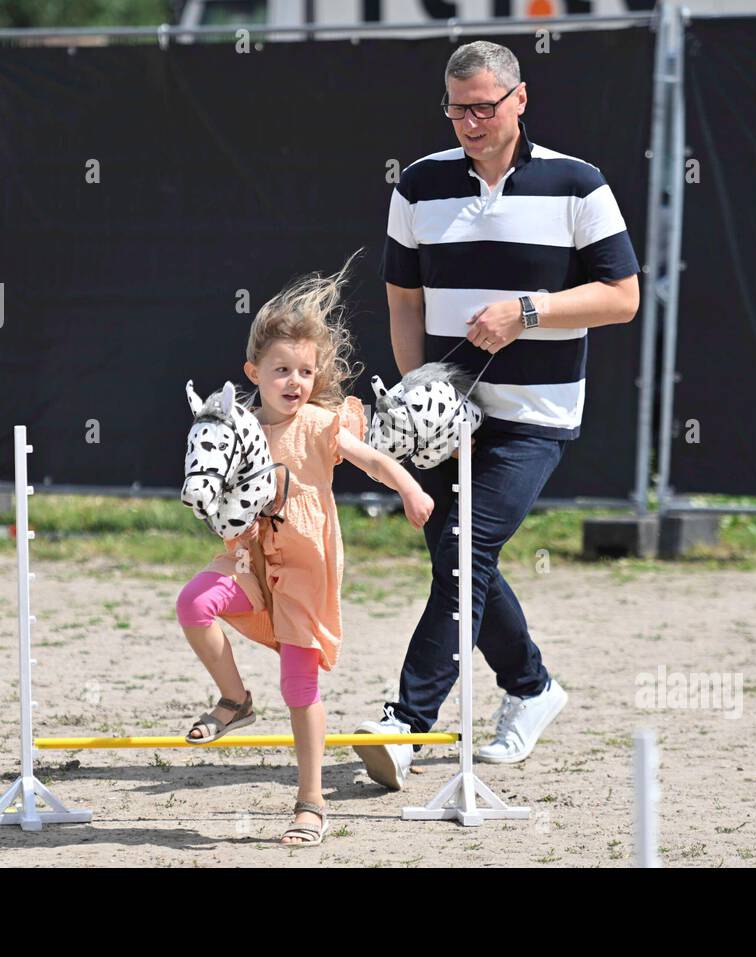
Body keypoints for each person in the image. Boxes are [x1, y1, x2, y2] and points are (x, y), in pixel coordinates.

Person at [353, 41, 640, 790]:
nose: (471, 122)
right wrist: (418, 395)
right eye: (458, 109)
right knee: (459, 554)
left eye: (485, 105)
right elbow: (403, 300)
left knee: (463, 552)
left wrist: (528, 310)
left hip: (534, 415)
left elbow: (622, 296)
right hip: (445, 417)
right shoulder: (418, 186)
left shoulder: (578, 182)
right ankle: (533, 687)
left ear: (520, 99)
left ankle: (406, 724)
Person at [177, 252, 435, 844]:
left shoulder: (320, 425)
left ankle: (310, 801)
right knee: (193, 604)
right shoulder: (236, 426)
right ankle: (234, 699)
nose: (295, 382)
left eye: (305, 371)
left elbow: (372, 458)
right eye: (281, 370)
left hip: (303, 569)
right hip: (246, 558)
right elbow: (209, 487)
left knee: (300, 686)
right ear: (253, 372)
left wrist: (411, 489)